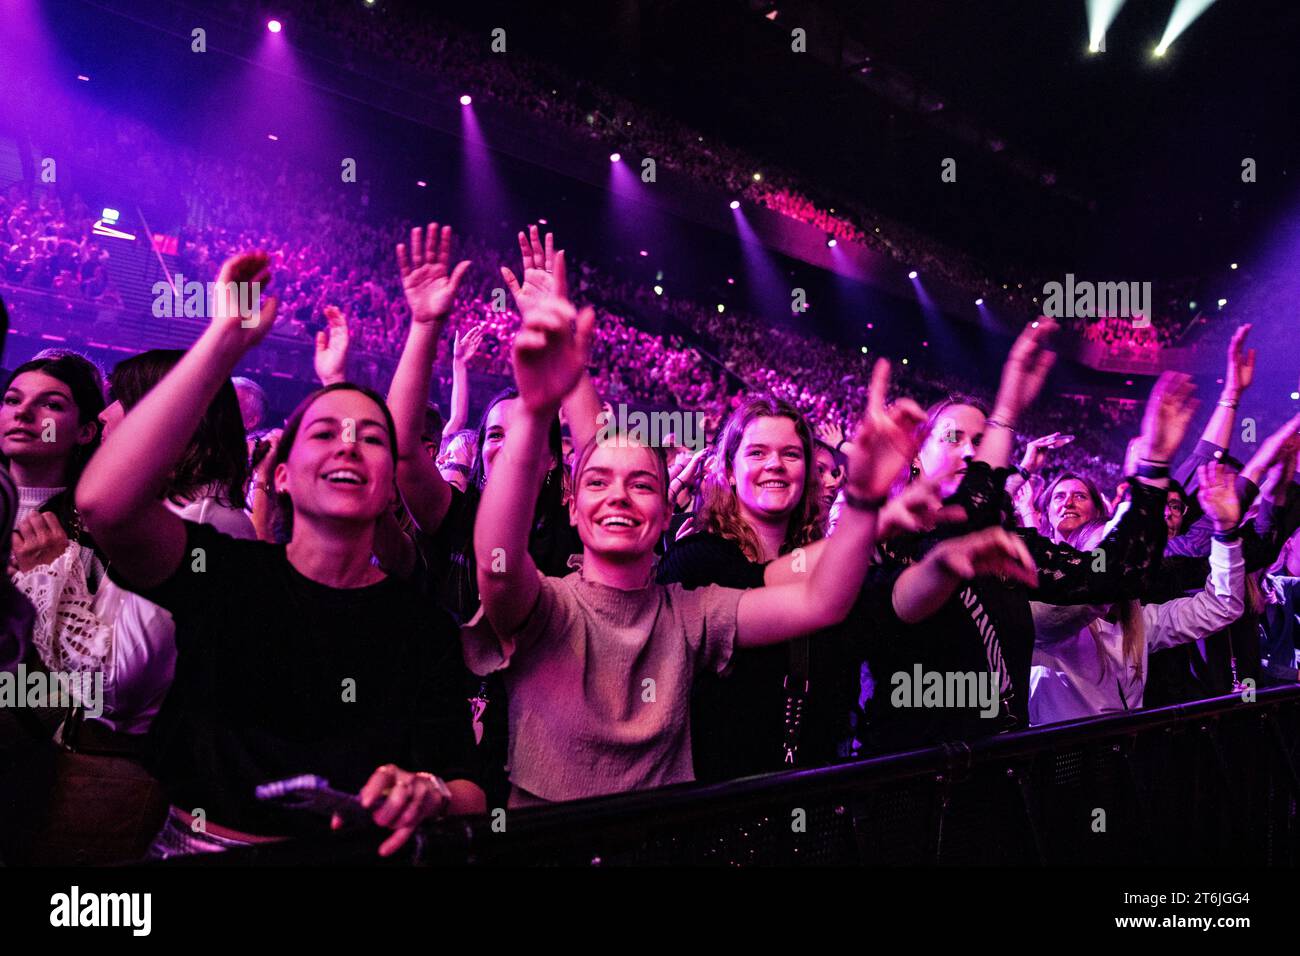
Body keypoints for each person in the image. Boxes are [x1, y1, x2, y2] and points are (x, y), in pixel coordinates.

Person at [463, 280, 952, 805]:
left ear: (669, 509)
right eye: (598, 482)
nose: (620, 496)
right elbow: (496, 566)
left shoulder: (692, 614)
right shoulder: (546, 605)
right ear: (573, 508)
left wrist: (862, 500)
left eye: (643, 483)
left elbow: (821, 601)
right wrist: (535, 411)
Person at [76, 251, 484, 858]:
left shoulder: (420, 626)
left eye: (370, 439)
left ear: (389, 478)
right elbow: (106, 504)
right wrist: (221, 343)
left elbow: (470, 788)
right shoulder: (223, 571)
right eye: (324, 433)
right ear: (284, 475)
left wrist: (432, 793)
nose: (347, 448)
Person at [1029, 462, 1246, 723]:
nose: (1115, 566)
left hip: (1124, 755)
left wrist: (1225, 531)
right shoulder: (1048, 624)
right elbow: (1087, 600)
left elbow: (1222, 606)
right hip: (1064, 758)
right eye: (1102, 558)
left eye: (1120, 558)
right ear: (1080, 565)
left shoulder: (1140, 623)